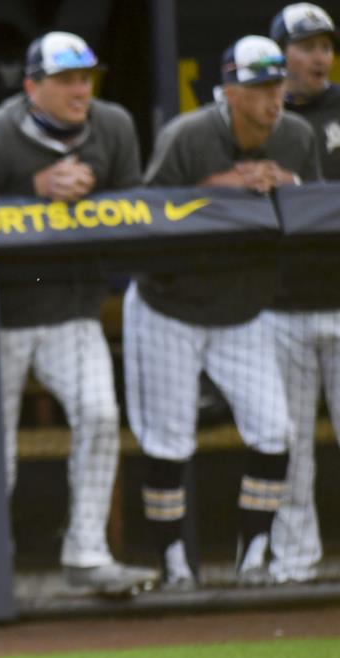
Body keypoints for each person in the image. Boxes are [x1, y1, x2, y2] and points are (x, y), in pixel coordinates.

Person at [0, 32, 157, 596]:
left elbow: (139, 208)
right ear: (31, 87)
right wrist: (32, 190)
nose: (79, 89)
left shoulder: (113, 125)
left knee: (98, 413)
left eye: (85, 77)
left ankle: (88, 555)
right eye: (66, 79)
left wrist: (100, 200)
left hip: (72, 307)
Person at [126, 36, 319, 587]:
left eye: (277, 85)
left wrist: (291, 187)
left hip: (243, 308)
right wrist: (217, 192)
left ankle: (253, 555)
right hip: (170, 306)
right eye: (259, 87)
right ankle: (172, 565)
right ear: (230, 92)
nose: (272, 98)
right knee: (168, 441)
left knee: (274, 431)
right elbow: (143, 215)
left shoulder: (296, 138)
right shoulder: (188, 135)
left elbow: (316, 211)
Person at [269, 3, 340, 582]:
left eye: (326, 45)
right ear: (281, 55)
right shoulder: (253, 114)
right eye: (307, 45)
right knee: (292, 447)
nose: (320, 56)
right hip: (283, 303)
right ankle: (294, 562)